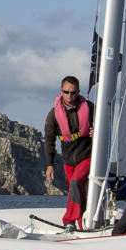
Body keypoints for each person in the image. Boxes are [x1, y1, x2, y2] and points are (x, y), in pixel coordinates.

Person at [43, 76, 94, 226]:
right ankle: (82, 222)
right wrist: (50, 164)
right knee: (75, 189)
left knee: (76, 183)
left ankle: (69, 220)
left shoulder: (90, 108)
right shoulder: (53, 114)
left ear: (78, 92)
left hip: (87, 155)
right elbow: (49, 141)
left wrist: (97, 130)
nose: (70, 96)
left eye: (73, 93)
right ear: (61, 91)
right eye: (66, 92)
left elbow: (106, 124)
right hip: (68, 159)